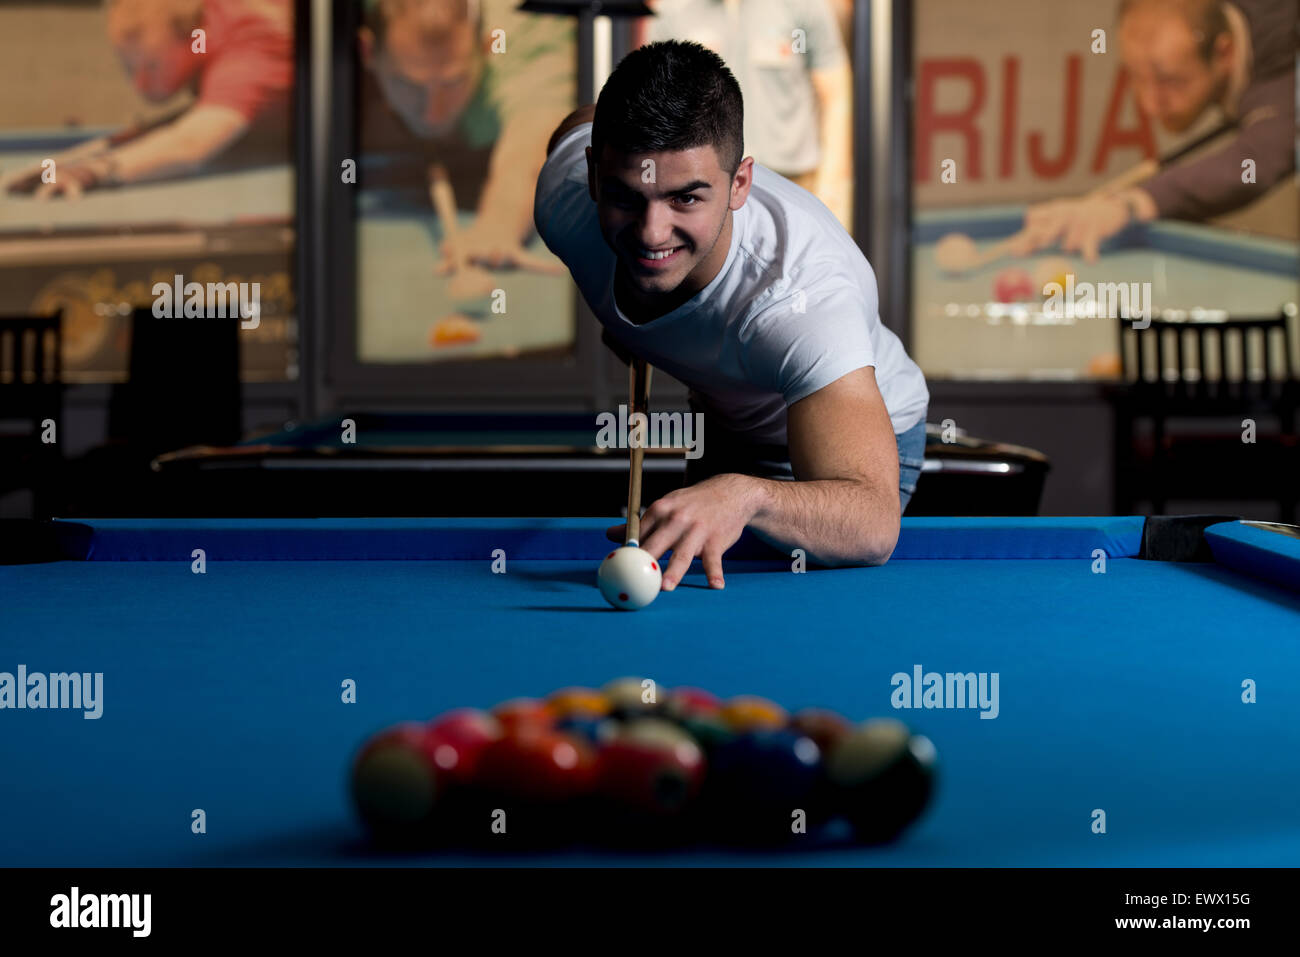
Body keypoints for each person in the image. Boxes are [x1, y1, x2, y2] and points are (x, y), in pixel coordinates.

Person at [534, 41, 929, 589]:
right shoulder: (566, 202)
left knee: (785, 624)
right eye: (627, 196)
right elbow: (578, 125)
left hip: (852, 455)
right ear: (594, 175)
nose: (652, 234)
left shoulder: (799, 298)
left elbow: (871, 524)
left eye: (686, 199)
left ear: (739, 182)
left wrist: (745, 492)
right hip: (731, 422)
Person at [1014, 0, 1297, 261]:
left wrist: (1135, 203)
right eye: (1136, 76)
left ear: (1225, 52)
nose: (1149, 105)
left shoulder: (1283, 52)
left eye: (1170, 81)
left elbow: (1261, 155)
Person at [358, 0, 574, 272]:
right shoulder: (326, 36)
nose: (432, 114)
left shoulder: (523, 38)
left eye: (453, 83)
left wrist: (499, 223)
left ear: (485, 49)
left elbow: (536, 133)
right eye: (408, 85)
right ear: (366, 52)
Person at [4, 0, 293, 198]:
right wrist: (69, 159)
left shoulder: (248, 47)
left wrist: (90, 171)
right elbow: (192, 120)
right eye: (130, 68)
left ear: (191, 38)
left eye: (153, 66)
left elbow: (190, 144)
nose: (140, 84)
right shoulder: (206, 24)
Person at [642, 0, 854, 229]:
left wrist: (831, 193)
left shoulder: (803, 7)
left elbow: (835, 97)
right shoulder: (673, 11)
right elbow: (657, 106)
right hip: (707, 192)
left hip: (793, 188)